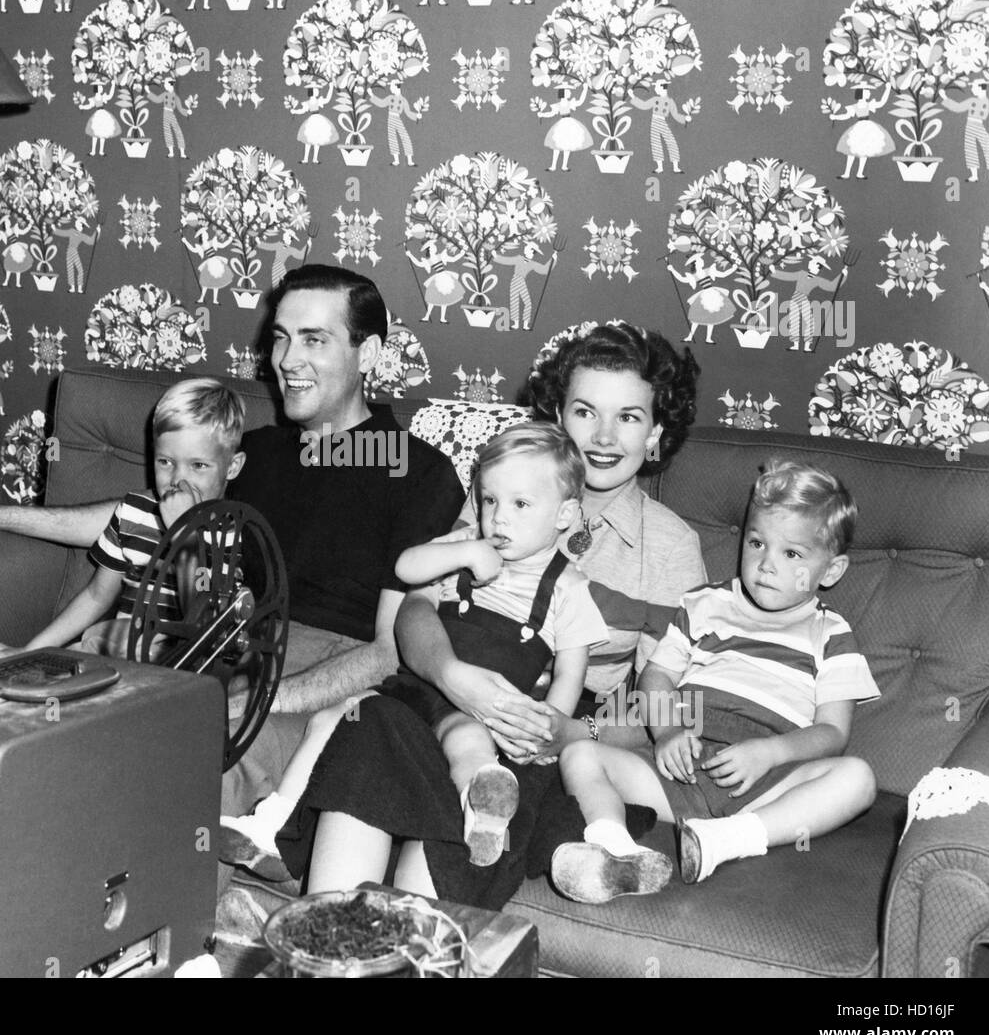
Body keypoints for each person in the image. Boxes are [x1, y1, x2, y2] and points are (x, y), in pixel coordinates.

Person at [0, 264, 465, 823]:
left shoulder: (421, 473)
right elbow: (142, 517)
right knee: (49, 721)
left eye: (315, 339)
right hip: (226, 642)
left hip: (323, 679)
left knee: (193, 769)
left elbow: (390, 650)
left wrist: (268, 695)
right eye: (282, 337)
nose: (287, 360)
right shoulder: (255, 453)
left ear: (370, 353)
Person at [274, 323, 706, 910]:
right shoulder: (500, 499)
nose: (604, 436)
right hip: (444, 694)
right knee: (371, 724)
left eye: (628, 417)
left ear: (655, 431)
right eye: (585, 411)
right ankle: (324, 941)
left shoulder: (671, 548)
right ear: (556, 414)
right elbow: (418, 606)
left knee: (487, 800)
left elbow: (662, 703)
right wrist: (453, 675)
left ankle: (421, 942)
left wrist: (572, 732)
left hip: (539, 737)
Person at [220, 423, 608, 875]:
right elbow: (407, 566)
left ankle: (482, 816)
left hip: (483, 708)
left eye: (520, 504)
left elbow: (569, 674)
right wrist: (463, 554)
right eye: (489, 500)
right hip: (411, 687)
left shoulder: (570, 586)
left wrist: (542, 732)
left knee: (468, 745)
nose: (499, 517)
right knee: (332, 719)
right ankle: (272, 821)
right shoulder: (465, 544)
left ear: (564, 515)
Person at [553, 461, 879, 901]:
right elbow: (657, 676)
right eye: (757, 542)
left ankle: (725, 840)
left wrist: (770, 753)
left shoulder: (833, 635)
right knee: (579, 754)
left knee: (857, 779)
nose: (766, 564)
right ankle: (615, 850)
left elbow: (833, 733)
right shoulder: (704, 604)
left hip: (766, 778)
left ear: (832, 570)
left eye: (793, 554)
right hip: (680, 763)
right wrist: (667, 731)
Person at [0, 378, 245, 663]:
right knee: (45, 676)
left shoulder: (229, 532)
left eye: (199, 466)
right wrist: (29, 652)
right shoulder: (134, 512)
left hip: (182, 671)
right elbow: (96, 597)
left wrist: (183, 534)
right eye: (165, 461)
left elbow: (206, 625)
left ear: (233, 466)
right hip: (120, 654)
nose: (178, 480)